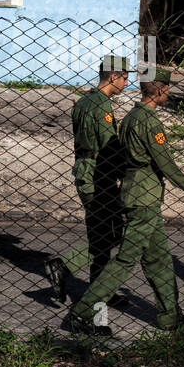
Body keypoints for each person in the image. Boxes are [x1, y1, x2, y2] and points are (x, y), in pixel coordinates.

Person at [64, 67, 184, 336]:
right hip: (144, 198)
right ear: (161, 91)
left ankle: (170, 316)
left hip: (138, 195)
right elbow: (165, 163)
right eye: (168, 90)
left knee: (159, 259)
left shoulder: (131, 116)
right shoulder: (150, 122)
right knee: (124, 262)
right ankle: (82, 312)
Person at [44, 54, 131, 307]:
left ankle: (99, 289)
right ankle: (63, 266)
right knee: (111, 232)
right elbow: (109, 145)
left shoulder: (83, 101)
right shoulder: (101, 105)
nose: (126, 84)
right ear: (113, 76)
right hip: (98, 173)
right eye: (124, 79)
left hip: (85, 169)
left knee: (102, 231)